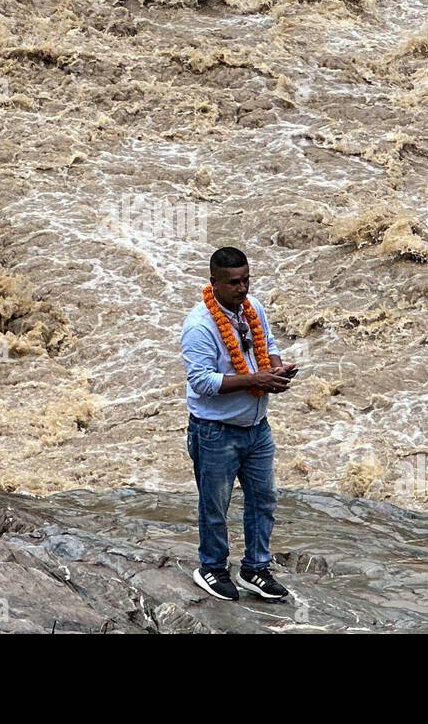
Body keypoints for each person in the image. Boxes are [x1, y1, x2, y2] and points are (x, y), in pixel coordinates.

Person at [180, 246, 298, 601]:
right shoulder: (199, 326)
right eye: (234, 282)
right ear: (213, 282)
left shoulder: (252, 308)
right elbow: (202, 382)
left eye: (246, 280)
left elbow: (269, 342)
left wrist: (274, 369)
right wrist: (255, 381)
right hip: (215, 431)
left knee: (264, 499)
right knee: (215, 506)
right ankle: (212, 568)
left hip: (257, 428)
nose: (242, 288)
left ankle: (255, 568)